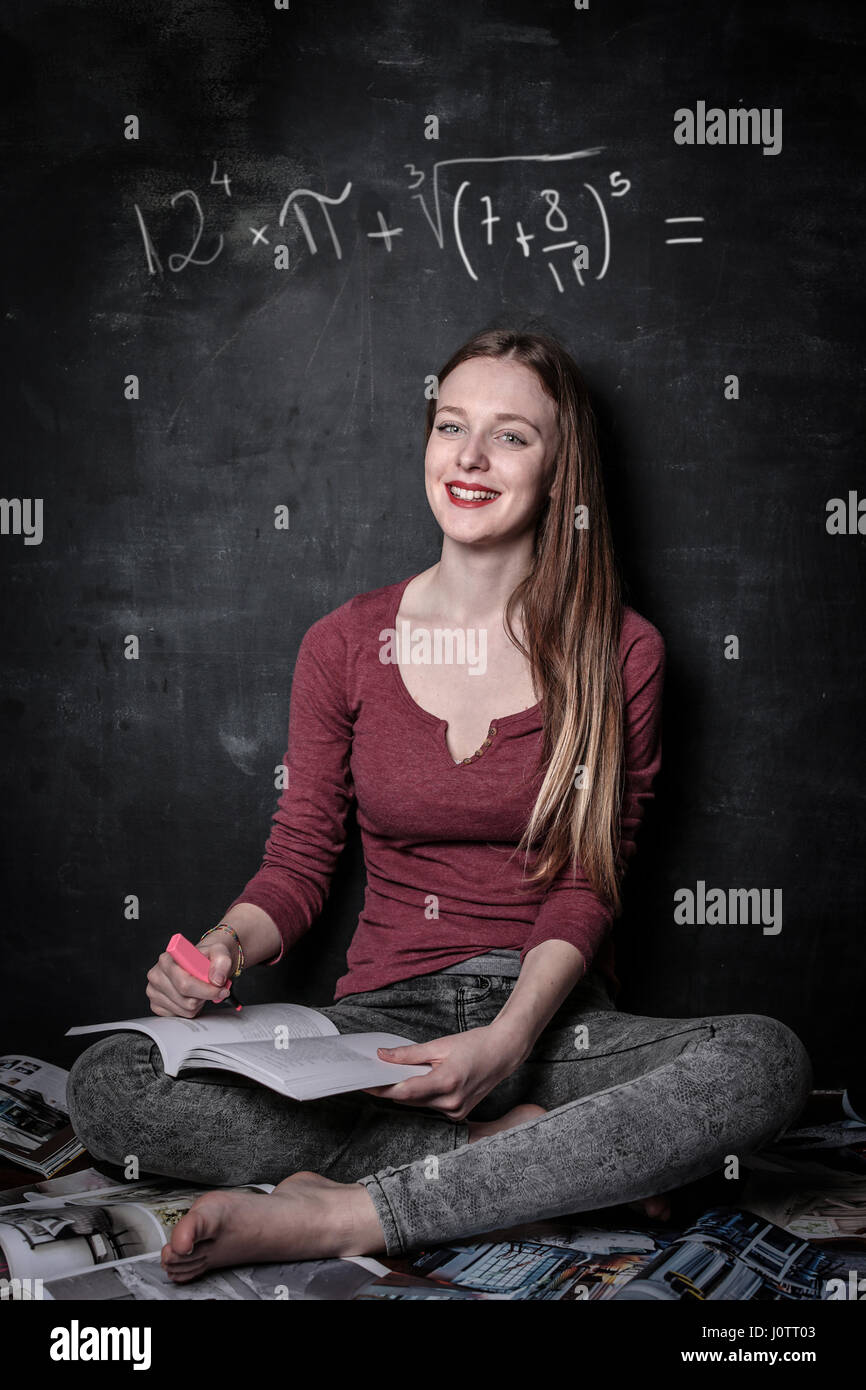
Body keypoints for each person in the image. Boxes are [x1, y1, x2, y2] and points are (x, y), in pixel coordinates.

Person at [66, 328, 812, 1284]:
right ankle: (543, 1168)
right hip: (380, 1030)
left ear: (560, 469)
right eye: (451, 425)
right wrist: (222, 947)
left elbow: (589, 882)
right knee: (114, 1086)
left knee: (763, 1061)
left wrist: (504, 1046)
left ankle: (353, 1213)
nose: (469, 457)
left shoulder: (623, 652)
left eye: (511, 436)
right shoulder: (343, 643)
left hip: (550, 1028)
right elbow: (299, 860)